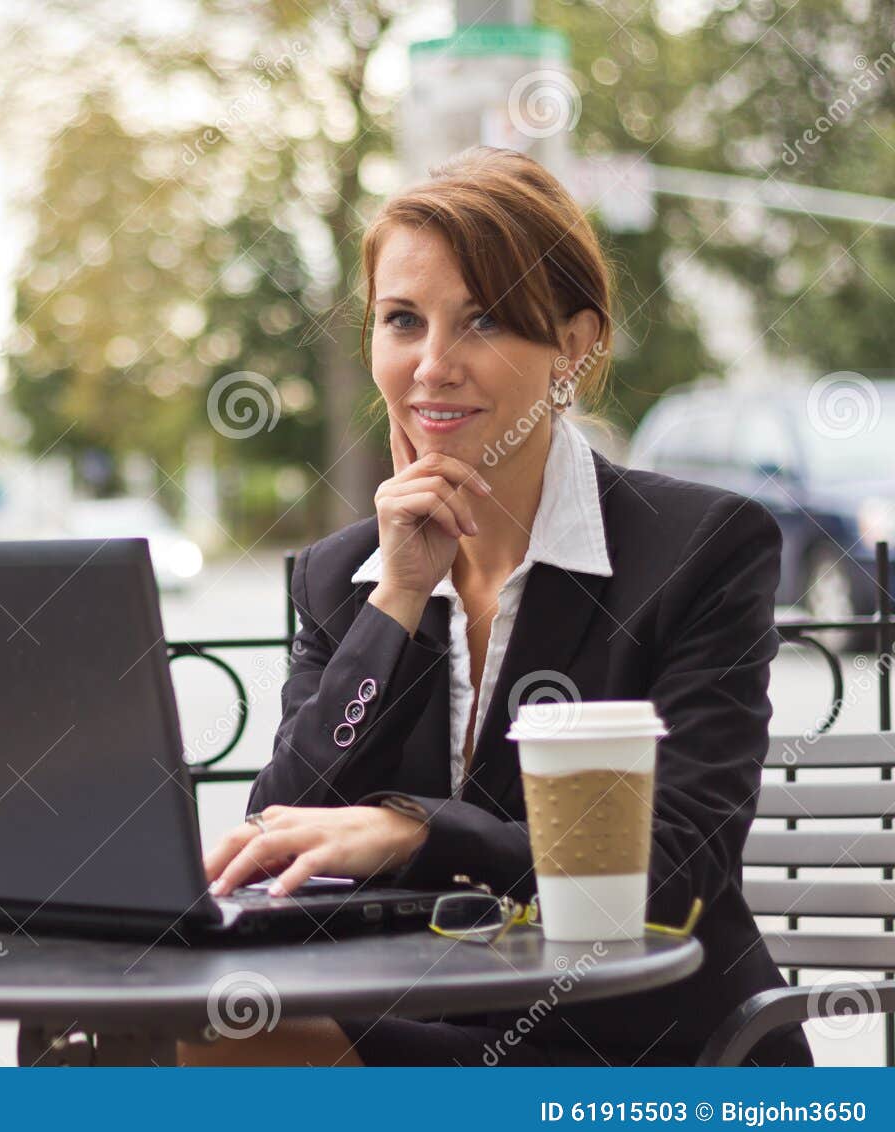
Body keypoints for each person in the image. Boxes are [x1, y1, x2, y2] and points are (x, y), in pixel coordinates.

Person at [186, 146, 812, 1068]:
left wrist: (416, 832)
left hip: (644, 1043)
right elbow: (281, 833)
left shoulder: (700, 549)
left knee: (215, 1051)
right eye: (403, 320)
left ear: (576, 342)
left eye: (480, 321)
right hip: (423, 1027)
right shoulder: (342, 577)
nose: (433, 365)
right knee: (179, 1033)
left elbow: (674, 864)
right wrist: (396, 597)